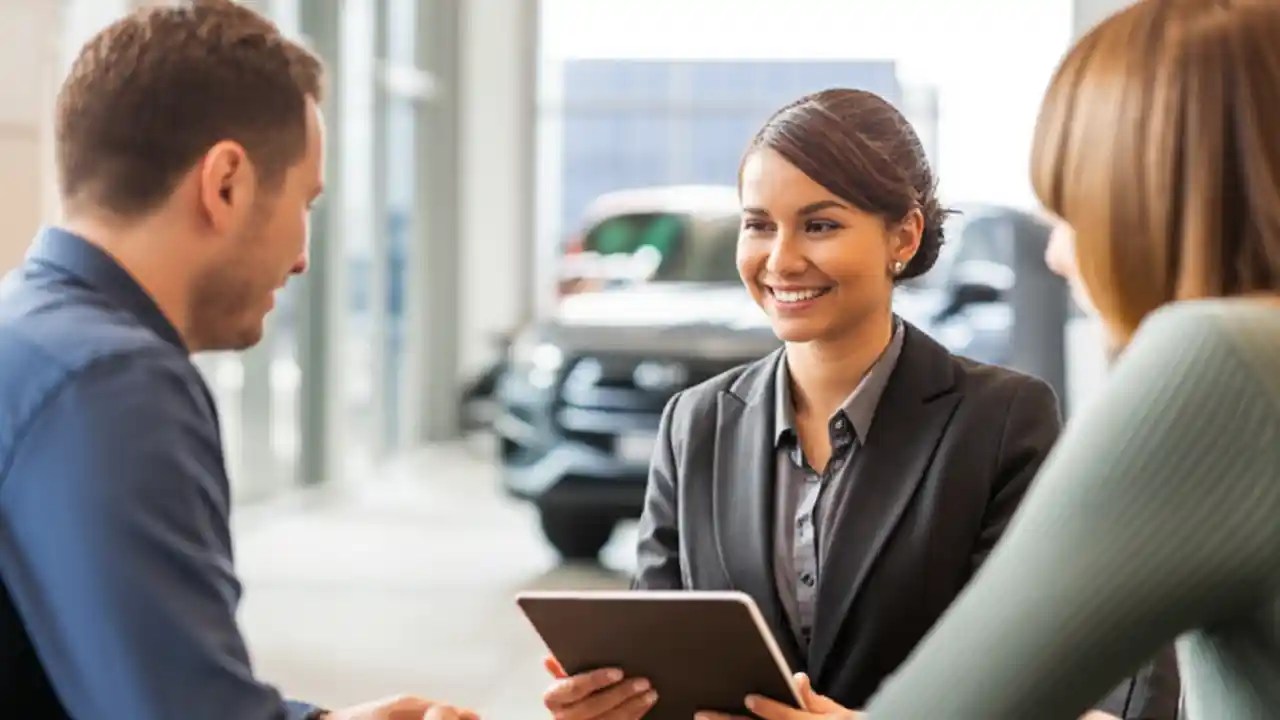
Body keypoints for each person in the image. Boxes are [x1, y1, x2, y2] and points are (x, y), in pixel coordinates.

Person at [707, 1, 1280, 718]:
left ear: (1156, 197)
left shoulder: (1219, 361)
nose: (1060, 253)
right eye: (758, 223)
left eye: (1073, 210)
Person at [540, 89, 1174, 720]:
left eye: (820, 225)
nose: (782, 260)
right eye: (759, 224)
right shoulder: (696, 422)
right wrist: (616, 705)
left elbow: (1039, 680)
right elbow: (662, 661)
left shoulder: (1002, 420)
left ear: (903, 235)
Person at [0, 2, 475, 719]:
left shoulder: (26, 333)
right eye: (306, 203)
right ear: (225, 183)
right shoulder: (114, 384)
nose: (304, 256)